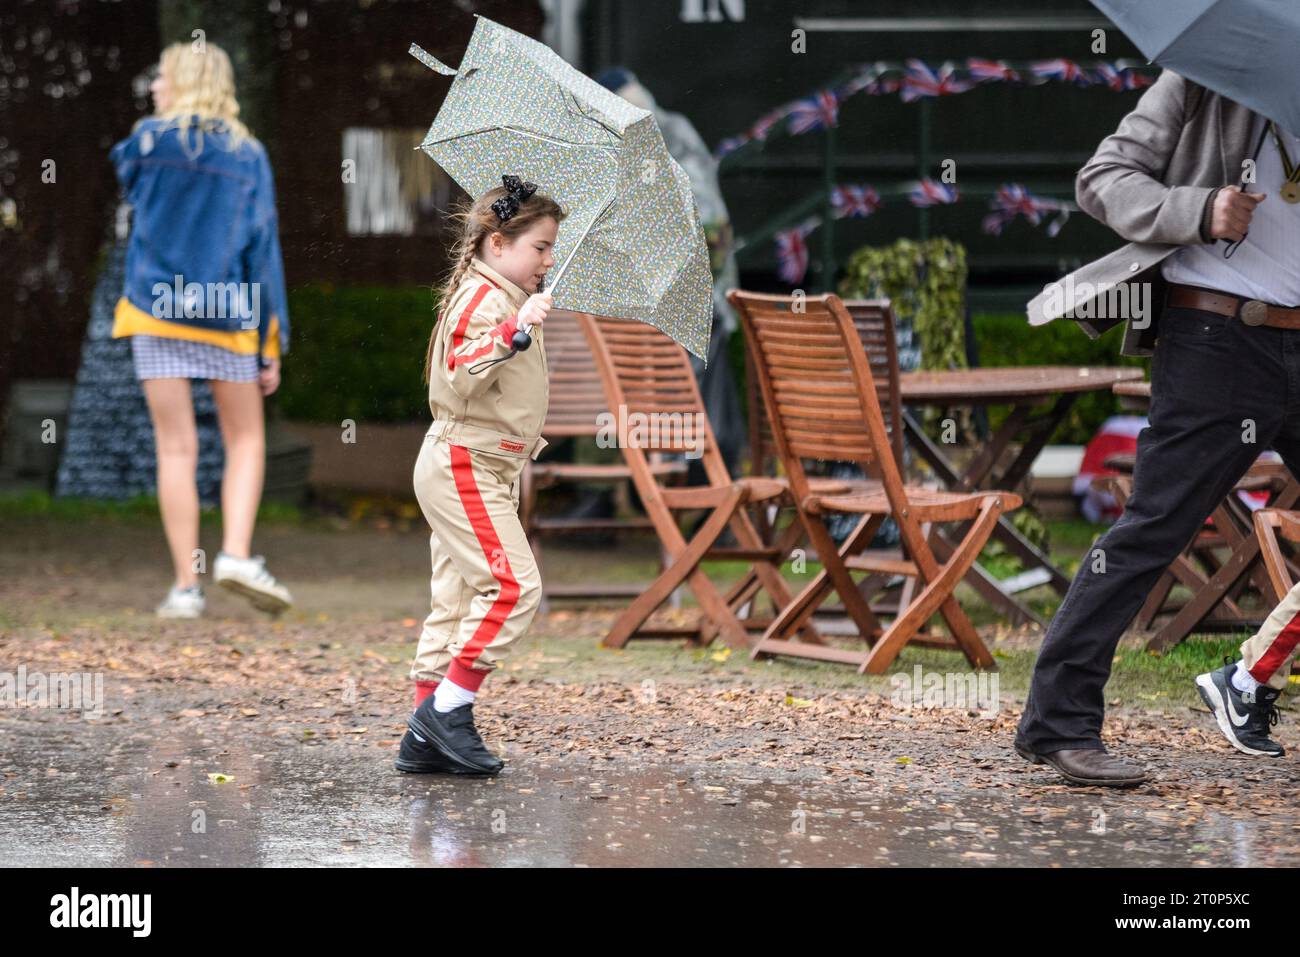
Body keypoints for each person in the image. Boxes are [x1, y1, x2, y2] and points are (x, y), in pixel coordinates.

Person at [1019, 69, 1300, 786]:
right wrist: (1200, 208)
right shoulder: (1210, 76)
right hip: (1218, 336)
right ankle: (1058, 723)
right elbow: (1103, 176)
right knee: (1154, 528)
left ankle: (1243, 682)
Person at [109, 42, 292, 619]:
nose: (154, 87)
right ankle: (236, 554)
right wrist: (273, 339)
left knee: (176, 447)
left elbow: (126, 175)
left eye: (161, 77)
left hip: (156, 307)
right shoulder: (248, 154)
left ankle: (186, 589)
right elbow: (263, 250)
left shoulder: (145, 143)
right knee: (245, 439)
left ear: (182, 81)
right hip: (229, 311)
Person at [396, 176, 564, 776]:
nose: (548, 260)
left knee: (458, 597)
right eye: (540, 247)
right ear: (498, 243)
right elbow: (461, 372)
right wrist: (514, 332)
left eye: (551, 249)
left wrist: (521, 322)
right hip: (464, 461)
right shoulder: (485, 300)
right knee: (515, 587)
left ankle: (423, 737)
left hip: (479, 464)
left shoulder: (501, 297)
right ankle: (446, 712)